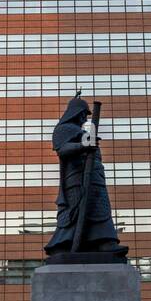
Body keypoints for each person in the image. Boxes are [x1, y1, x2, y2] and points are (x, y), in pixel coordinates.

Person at [44, 97, 127, 256]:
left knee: (100, 209)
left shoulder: (83, 133)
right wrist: (83, 145)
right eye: (83, 113)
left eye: (87, 115)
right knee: (76, 211)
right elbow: (62, 149)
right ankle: (63, 243)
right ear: (75, 113)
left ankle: (104, 241)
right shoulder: (64, 129)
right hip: (77, 178)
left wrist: (89, 143)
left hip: (95, 178)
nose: (85, 118)